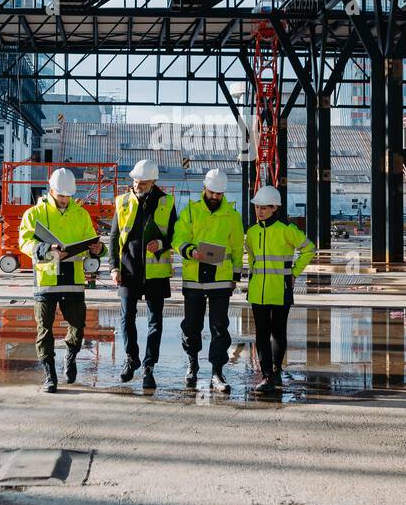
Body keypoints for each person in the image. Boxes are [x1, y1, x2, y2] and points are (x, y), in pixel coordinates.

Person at [18, 167, 105, 393]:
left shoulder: (81, 214)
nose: (65, 199)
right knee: (44, 328)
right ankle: (50, 374)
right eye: (61, 195)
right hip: (47, 278)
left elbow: (90, 243)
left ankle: (71, 355)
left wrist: (98, 249)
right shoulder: (34, 214)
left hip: (73, 277)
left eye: (68, 195)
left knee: (78, 325)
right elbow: (25, 242)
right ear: (51, 190)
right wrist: (46, 249)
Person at [172, 168, 244, 392]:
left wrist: (235, 275)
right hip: (194, 278)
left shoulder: (232, 216)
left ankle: (217, 373)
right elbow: (178, 238)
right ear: (204, 188)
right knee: (192, 326)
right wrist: (190, 250)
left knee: (220, 328)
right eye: (212, 193)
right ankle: (192, 364)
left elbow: (237, 247)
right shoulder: (191, 212)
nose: (215, 197)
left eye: (219, 194)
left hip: (220, 280)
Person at [108, 159, 176, 389]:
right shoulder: (123, 201)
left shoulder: (167, 202)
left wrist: (162, 242)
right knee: (126, 318)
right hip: (128, 270)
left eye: (143, 183)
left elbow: (176, 235)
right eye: (135, 181)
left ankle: (149, 366)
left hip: (155, 272)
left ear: (154, 182)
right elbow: (114, 236)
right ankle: (131, 358)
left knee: (154, 322)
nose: (138, 185)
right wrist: (113, 267)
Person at [244, 185, 315, 393]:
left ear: (275, 208)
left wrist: (294, 273)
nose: (259, 211)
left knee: (278, 333)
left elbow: (309, 248)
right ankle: (266, 375)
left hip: (280, 289)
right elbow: (252, 259)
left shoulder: (287, 230)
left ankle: (276, 370)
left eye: (264, 208)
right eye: (257, 207)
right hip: (258, 291)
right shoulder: (252, 231)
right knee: (261, 335)